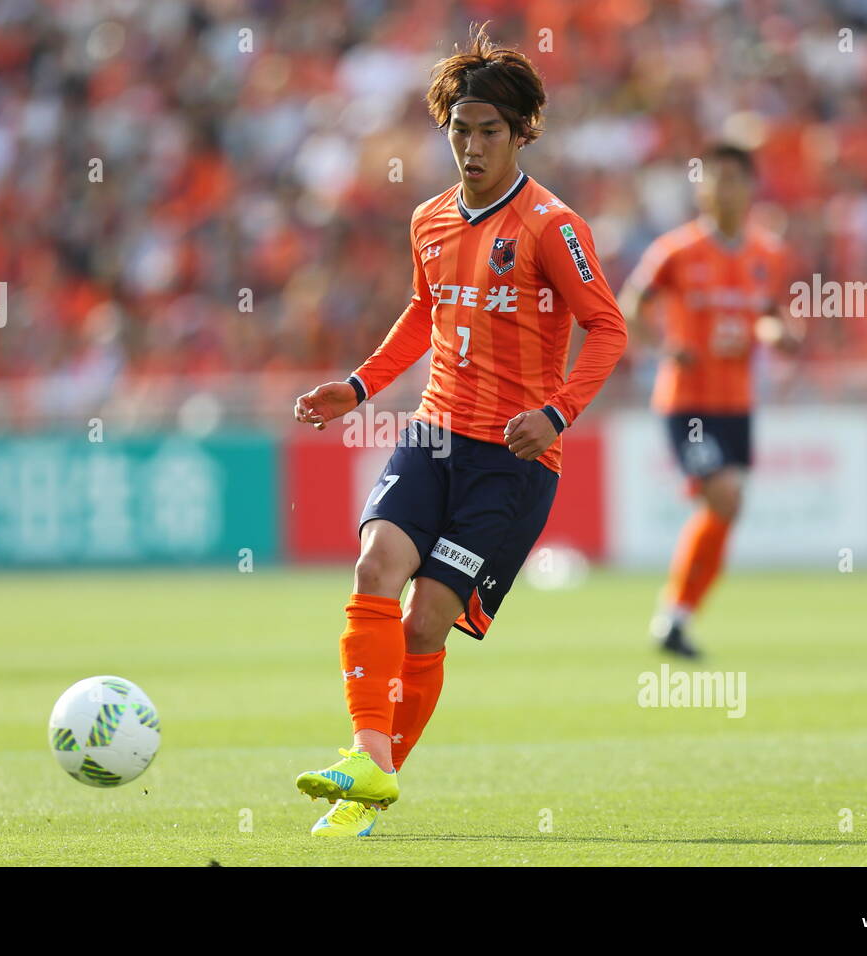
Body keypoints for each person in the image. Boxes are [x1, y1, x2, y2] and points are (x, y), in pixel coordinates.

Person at [291, 24, 628, 837]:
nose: (471, 147)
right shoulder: (430, 220)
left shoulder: (553, 226)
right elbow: (423, 312)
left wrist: (555, 413)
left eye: (489, 132)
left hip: (512, 464)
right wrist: (361, 385)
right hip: (434, 435)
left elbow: (608, 329)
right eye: (459, 131)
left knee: (425, 622)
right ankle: (366, 760)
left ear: (521, 133)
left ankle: (369, 783)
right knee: (376, 564)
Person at [618, 143, 800, 658]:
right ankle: (673, 615)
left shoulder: (768, 254)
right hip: (687, 402)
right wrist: (664, 348)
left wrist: (777, 334)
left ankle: (674, 618)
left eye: (732, 179)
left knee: (727, 507)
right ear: (701, 188)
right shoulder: (675, 250)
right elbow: (632, 306)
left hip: (737, 403)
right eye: (713, 179)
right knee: (724, 496)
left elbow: (768, 313)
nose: (721, 189)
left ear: (749, 189)